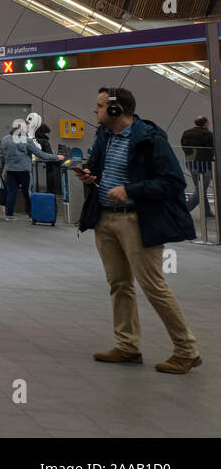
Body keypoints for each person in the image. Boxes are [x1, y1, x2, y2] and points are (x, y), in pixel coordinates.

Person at [73, 87, 201, 374]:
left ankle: (186, 350)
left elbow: (172, 183)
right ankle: (127, 346)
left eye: (100, 106)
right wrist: (89, 175)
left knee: (153, 285)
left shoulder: (150, 139)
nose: (95, 110)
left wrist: (130, 190)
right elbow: (99, 168)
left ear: (117, 110)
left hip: (137, 221)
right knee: (118, 284)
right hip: (105, 219)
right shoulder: (104, 135)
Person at [0, 121, 63, 221]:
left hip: (10, 171)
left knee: (11, 193)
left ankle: (9, 215)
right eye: (27, 128)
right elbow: (41, 154)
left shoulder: (4, 140)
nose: (28, 130)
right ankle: (31, 215)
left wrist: (0, 169)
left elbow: (0, 158)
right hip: (24, 171)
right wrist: (57, 157)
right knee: (27, 193)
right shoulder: (26, 141)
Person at [181, 116, 215, 218]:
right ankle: (185, 211)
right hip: (205, 165)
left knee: (199, 188)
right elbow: (212, 150)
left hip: (191, 163)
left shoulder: (186, 133)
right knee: (201, 189)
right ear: (206, 124)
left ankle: (207, 212)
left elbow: (183, 146)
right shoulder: (208, 134)